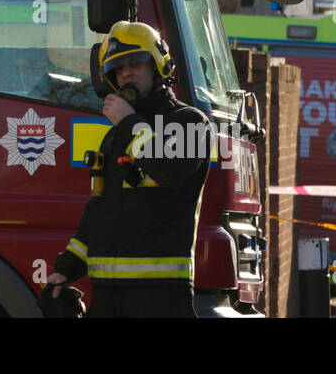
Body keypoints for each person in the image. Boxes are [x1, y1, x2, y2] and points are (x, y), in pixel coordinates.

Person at [45, 21, 212, 317]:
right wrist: (66, 270)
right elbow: (99, 209)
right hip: (107, 297)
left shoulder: (189, 123)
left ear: (158, 64)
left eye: (135, 61)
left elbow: (169, 171)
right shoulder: (116, 134)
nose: (126, 72)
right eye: (117, 68)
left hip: (160, 298)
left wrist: (130, 123)